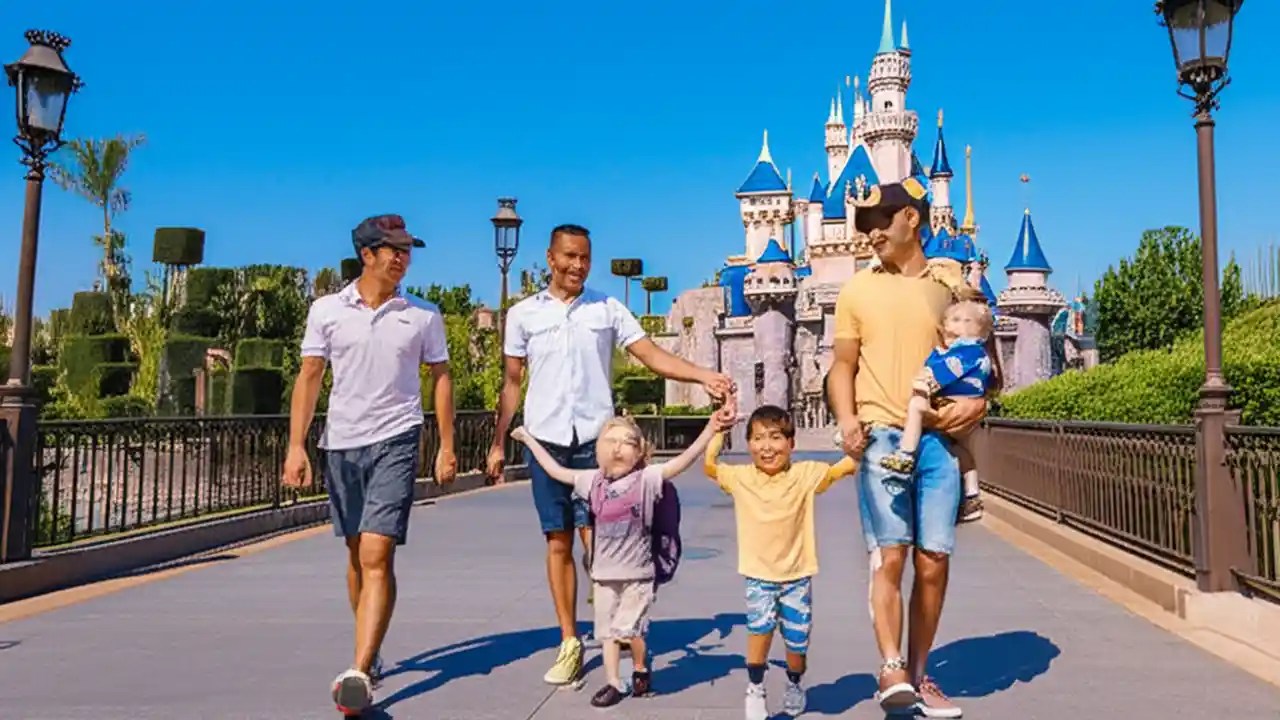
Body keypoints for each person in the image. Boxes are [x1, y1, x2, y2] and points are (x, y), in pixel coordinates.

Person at [485, 223, 735, 687]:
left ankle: (619, 632)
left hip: (600, 447)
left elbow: (651, 354)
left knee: (601, 541)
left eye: (584, 258)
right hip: (547, 438)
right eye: (569, 257)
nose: (577, 265)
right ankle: (569, 642)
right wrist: (500, 440)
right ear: (550, 258)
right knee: (556, 538)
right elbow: (512, 382)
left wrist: (704, 375)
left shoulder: (606, 307)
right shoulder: (522, 315)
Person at [282, 213, 458, 716]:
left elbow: (440, 378)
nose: (402, 258)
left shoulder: (423, 314)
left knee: (379, 553)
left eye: (407, 250)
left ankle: (359, 669)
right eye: (393, 249)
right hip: (341, 443)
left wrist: (446, 444)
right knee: (358, 555)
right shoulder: (327, 311)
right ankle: (372, 645)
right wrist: (297, 447)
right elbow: (310, 376)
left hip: (397, 439)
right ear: (367, 254)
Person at [826, 179, 988, 718]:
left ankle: (920, 675)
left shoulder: (949, 286)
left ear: (911, 219)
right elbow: (842, 366)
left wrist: (980, 406)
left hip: (941, 440)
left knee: (934, 560)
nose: (870, 234)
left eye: (878, 222)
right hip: (882, 435)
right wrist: (848, 419)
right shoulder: (856, 290)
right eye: (864, 225)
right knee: (890, 554)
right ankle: (891, 667)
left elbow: (984, 362)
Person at [510, 408, 732, 707]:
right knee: (608, 634)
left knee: (627, 628)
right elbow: (555, 471)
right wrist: (528, 439)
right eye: (609, 440)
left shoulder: (646, 480)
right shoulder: (592, 481)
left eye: (626, 441)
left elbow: (683, 460)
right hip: (603, 575)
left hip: (638, 574)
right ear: (597, 450)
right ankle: (614, 683)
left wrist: (711, 428)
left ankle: (639, 667)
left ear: (639, 452)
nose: (616, 447)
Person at [703, 403, 860, 720]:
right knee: (759, 629)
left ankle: (794, 682)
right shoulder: (741, 477)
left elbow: (843, 467)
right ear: (748, 445)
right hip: (758, 574)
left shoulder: (805, 474)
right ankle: (755, 687)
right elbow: (710, 465)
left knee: (797, 643)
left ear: (791, 444)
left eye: (775, 438)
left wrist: (858, 442)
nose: (766, 447)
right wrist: (719, 430)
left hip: (797, 576)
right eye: (758, 438)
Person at [878, 293, 996, 496]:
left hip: (956, 404)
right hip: (966, 404)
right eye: (954, 320)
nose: (958, 325)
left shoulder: (968, 351)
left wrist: (926, 383)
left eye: (965, 321)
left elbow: (945, 371)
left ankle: (905, 454)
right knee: (955, 446)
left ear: (981, 331)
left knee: (916, 405)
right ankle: (972, 490)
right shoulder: (972, 351)